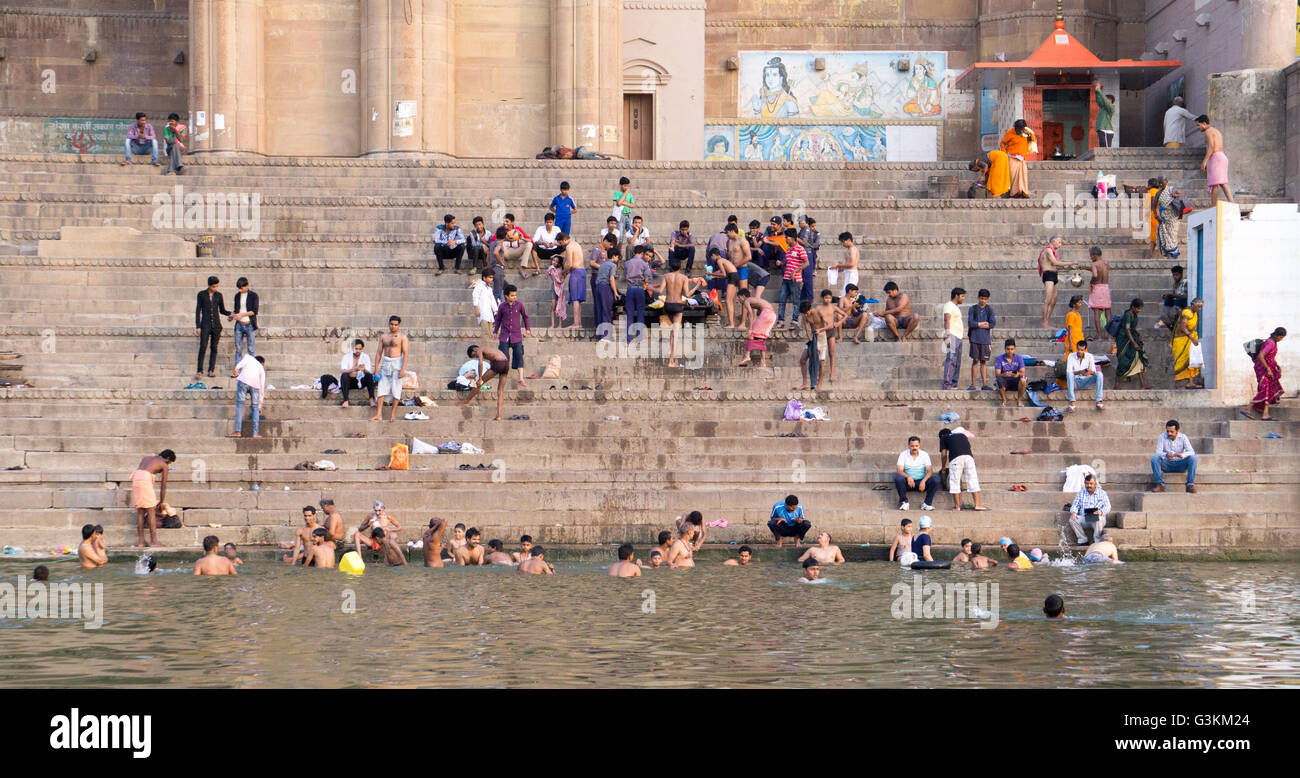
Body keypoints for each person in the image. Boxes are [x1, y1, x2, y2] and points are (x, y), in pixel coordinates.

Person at [658, 258, 706, 367]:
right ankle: (671, 361)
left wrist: (651, 287)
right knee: (675, 332)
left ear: (670, 267)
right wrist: (697, 285)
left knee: (673, 330)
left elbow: (660, 291)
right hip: (678, 306)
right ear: (680, 267)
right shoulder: (683, 277)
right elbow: (688, 295)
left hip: (668, 305)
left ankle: (671, 351)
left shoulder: (666, 276)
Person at [131, 449, 175, 547]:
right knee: (151, 511)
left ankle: (141, 542)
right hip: (145, 479)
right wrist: (162, 502)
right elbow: (163, 486)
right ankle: (154, 541)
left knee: (141, 511)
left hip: (135, 478)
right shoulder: (164, 465)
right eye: (169, 462)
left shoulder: (146, 458)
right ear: (167, 458)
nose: (168, 464)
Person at [457, 344, 512, 421]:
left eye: (475, 355)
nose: (476, 357)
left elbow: (480, 363)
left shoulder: (480, 349)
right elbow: (493, 360)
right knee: (500, 391)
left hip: (498, 363)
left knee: (478, 384)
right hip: (506, 363)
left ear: (474, 349)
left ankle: (466, 402)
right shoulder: (490, 349)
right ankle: (499, 416)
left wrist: (479, 378)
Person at [370, 315, 409, 421]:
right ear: (389, 324)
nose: (393, 326)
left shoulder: (402, 337)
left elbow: (405, 354)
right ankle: (379, 414)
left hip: (397, 364)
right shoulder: (384, 337)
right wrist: (376, 368)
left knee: (396, 389)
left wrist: (403, 369)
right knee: (381, 389)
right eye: (391, 324)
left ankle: (393, 415)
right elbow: (379, 353)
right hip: (385, 363)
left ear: (399, 325)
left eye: (396, 325)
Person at [493, 284, 532, 386]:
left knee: (519, 356)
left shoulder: (519, 305)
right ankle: (503, 378)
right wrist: (495, 331)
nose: (514, 297)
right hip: (504, 336)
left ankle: (521, 378)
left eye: (515, 295)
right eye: (512, 295)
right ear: (506, 296)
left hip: (516, 336)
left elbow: (525, 317)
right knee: (503, 358)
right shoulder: (501, 306)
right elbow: (498, 320)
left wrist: (527, 329)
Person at [1245, 327, 1287, 420]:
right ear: (1277, 336)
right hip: (1263, 369)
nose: (1281, 340)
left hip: (1268, 369)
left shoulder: (1273, 342)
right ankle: (1247, 409)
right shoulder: (1270, 343)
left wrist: (1276, 365)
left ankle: (1265, 414)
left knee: (1269, 389)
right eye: (1281, 338)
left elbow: (1270, 356)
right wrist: (1268, 369)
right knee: (1264, 390)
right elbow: (1261, 356)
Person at [940, 427, 985, 511]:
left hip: (955, 459)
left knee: (955, 482)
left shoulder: (943, 437)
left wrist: (943, 467)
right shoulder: (962, 435)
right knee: (972, 479)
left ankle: (957, 507)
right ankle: (977, 505)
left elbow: (943, 454)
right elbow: (971, 449)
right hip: (969, 457)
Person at [194, 275, 230, 379]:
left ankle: (211, 370)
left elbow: (222, 310)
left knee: (214, 348)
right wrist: (198, 326)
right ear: (209, 285)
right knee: (203, 346)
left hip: (216, 326)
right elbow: (198, 311)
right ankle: (199, 370)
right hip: (205, 325)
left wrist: (230, 314)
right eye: (214, 286)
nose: (215, 288)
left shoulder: (219, 295)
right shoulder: (201, 295)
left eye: (216, 286)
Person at [1151, 419, 1197, 493]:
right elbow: (1158, 452)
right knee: (1154, 459)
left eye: (1171, 431)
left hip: (1180, 464)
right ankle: (1159, 484)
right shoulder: (1162, 437)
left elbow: (1191, 452)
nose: (1169, 433)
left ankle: (1190, 485)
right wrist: (1166, 455)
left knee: (1193, 458)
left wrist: (1182, 455)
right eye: (1168, 431)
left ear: (1177, 431)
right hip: (1167, 464)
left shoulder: (1183, 437)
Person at [894, 435, 938, 511]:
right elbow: (899, 470)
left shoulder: (924, 454)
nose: (914, 448)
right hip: (908, 483)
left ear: (919, 445)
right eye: (912, 446)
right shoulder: (903, 454)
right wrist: (908, 477)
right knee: (898, 479)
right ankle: (904, 502)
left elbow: (930, 471)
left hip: (921, 483)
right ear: (908, 446)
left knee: (936, 480)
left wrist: (923, 481)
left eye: (916, 446)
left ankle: (926, 504)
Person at [1196, 115, 1233, 206]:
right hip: (1222, 156)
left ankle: (1213, 207)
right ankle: (1232, 203)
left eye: (1198, 125)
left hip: (1216, 157)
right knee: (1223, 183)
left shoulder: (1208, 131)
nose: (1198, 128)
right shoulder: (1216, 131)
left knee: (1215, 184)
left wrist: (1204, 161)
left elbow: (1211, 147)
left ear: (1204, 123)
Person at [1037, 236, 1073, 328]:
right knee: (1048, 300)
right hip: (1048, 274)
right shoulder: (1048, 250)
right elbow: (1055, 263)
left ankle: (1047, 322)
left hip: (1054, 275)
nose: (1060, 245)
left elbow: (1055, 265)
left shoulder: (1053, 251)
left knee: (1054, 301)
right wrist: (1071, 263)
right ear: (1053, 241)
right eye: (1059, 242)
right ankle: (1044, 323)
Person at [1114, 299, 1150, 390]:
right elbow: (1127, 330)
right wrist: (1134, 343)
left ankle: (1142, 385)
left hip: (1132, 338)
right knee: (1124, 362)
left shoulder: (1134, 314)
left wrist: (1137, 333)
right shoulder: (1128, 315)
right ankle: (1116, 385)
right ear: (1133, 307)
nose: (1139, 310)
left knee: (1138, 360)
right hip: (1124, 341)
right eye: (1138, 309)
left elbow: (1132, 328)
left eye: (1140, 309)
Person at [1068, 473, 1110, 545]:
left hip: (1097, 517)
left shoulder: (1102, 493)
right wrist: (1074, 512)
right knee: (1072, 519)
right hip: (1085, 517)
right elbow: (1075, 505)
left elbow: (1108, 506)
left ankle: (1097, 541)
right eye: (1087, 484)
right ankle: (1083, 540)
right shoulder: (1080, 493)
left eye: (1091, 483)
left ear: (1095, 484)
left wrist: (1101, 512)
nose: (1089, 486)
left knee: (1099, 519)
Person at [229, 354, 266, 437]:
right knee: (255, 407)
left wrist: (236, 369)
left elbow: (241, 363)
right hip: (255, 385)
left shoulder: (248, 357)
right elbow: (262, 388)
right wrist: (260, 405)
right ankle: (255, 433)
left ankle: (238, 432)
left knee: (239, 406)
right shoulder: (261, 369)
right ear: (262, 363)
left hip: (244, 381)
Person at [777, 229, 807, 328]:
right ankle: (780, 321)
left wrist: (796, 271)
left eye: (787, 238)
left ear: (793, 238)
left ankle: (794, 322)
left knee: (795, 301)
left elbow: (807, 263)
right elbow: (789, 261)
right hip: (786, 278)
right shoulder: (788, 249)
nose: (785, 239)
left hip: (796, 280)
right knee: (782, 300)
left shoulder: (800, 249)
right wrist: (782, 263)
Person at [1172, 297, 1203, 390]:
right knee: (1181, 361)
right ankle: (1177, 382)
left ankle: (1190, 382)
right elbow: (1183, 327)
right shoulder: (1187, 313)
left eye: (1201, 307)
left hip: (1189, 339)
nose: (1199, 309)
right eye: (1198, 307)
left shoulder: (1195, 313)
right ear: (1193, 305)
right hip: (1180, 339)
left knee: (1191, 359)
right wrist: (1192, 337)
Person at [967, 289, 995, 390]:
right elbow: (971, 323)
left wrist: (978, 324)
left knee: (983, 362)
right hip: (974, 339)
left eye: (985, 299)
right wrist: (982, 324)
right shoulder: (973, 309)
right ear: (978, 297)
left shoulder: (989, 310)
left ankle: (984, 384)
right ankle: (973, 385)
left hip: (985, 340)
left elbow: (992, 323)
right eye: (982, 298)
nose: (983, 301)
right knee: (975, 360)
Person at [1065, 339, 1104, 412]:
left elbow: (1093, 371)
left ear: (1085, 350)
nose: (1079, 351)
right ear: (1076, 348)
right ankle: (1072, 403)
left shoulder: (1090, 356)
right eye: (1078, 349)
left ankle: (1099, 401)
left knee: (1099, 374)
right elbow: (1069, 371)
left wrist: (1088, 372)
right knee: (1069, 374)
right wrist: (1080, 372)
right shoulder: (1071, 356)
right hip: (1074, 382)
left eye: (1082, 350)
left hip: (1086, 381)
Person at [623, 244, 652, 342]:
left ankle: (629, 337)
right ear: (642, 253)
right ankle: (639, 336)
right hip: (640, 289)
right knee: (640, 313)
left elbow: (625, 275)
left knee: (629, 314)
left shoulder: (627, 263)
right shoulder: (644, 264)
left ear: (634, 252)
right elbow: (647, 278)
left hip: (630, 289)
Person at [999, 119, 1035, 197]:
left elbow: (1033, 141)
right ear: (1015, 128)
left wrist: (1030, 135)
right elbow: (1002, 143)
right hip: (1012, 157)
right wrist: (1004, 154)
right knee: (1013, 176)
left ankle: (1023, 192)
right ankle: (1014, 193)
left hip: (1022, 158)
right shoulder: (1009, 132)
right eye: (1018, 129)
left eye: (1021, 129)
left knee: (1023, 176)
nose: (1019, 131)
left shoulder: (1027, 132)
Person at [337, 338, 376, 407]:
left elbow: (368, 371)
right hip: (349, 382)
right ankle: (346, 400)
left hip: (360, 381)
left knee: (369, 376)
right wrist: (353, 369)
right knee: (344, 375)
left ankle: (371, 400)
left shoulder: (365, 357)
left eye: (360, 349)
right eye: (356, 349)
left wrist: (364, 369)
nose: (358, 351)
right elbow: (342, 370)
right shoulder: (346, 357)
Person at [593, 237, 619, 338]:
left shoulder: (603, 264)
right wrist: (615, 292)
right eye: (617, 257)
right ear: (614, 256)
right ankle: (605, 336)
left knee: (600, 310)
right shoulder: (613, 265)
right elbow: (612, 279)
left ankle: (600, 336)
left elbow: (597, 278)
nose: (617, 260)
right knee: (606, 310)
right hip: (606, 288)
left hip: (599, 287)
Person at [942, 287, 966, 389]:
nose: (963, 298)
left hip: (958, 337)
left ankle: (954, 383)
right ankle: (947, 384)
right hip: (951, 335)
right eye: (962, 296)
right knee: (951, 360)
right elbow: (947, 320)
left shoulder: (956, 307)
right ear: (956, 296)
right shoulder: (949, 305)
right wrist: (948, 336)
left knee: (957, 361)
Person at [994, 338, 1027, 406]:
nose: (1010, 351)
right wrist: (1004, 374)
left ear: (1014, 349)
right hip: (1005, 381)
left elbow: (1023, 373)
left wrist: (1018, 374)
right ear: (1005, 349)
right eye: (1008, 349)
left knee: (1023, 380)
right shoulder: (999, 358)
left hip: (1016, 382)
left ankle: (1019, 401)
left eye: (1012, 349)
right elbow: (997, 374)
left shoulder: (1019, 357)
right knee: (998, 380)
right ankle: (1004, 400)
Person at [1086, 247, 1111, 338]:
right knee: (1108, 312)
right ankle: (1109, 336)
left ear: (1094, 255)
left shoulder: (1094, 264)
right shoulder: (1106, 263)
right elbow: (1100, 270)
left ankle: (1099, 336)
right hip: (1105, 288)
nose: (1090, 258)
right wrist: (1085, 268)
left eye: (1091, 256)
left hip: (1097, 288)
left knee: (1097, 312)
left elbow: (1095, 274)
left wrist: (1091, 283)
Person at [1154, 178, 1181, 259]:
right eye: (1159, 183)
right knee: (1165, 236)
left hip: (1173, 217)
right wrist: (1156, 216)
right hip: (1163, 218)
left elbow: (1182, 195)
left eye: (1162, 183)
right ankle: (1168, 255)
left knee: (1173, 235)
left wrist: (1176, 195)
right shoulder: (1158, 193)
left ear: (1166, 182)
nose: (1160, 185)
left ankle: (1173, 254)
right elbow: (1153, 206)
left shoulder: (1171, 189)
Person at [531, 213, 562, 278]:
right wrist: (543, 243)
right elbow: (534, 240)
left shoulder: (557, 229)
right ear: (545, 222)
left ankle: (561, 268)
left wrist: (554, 244)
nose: (548, 224)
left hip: (554, 253)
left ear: (553, 222)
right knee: (533, 246)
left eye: (550, 222)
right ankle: (537, 268)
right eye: (547, 222)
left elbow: (561, 241)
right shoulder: (540, 229)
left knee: (564, 248)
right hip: (543, 251)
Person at [797, 217, 820, 303]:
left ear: (804, 222)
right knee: (805, 277)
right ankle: (803, 297)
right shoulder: (803, 230)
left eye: (800, 222)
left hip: (807, 253)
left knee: (807, 277)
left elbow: (804, 242)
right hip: (804, 253)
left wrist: (795, 237)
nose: (799, 224)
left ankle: (810, 298)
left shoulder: (807, 230)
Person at [831, 232, 860, 298]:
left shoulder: (853, 250)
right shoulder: (849, 250)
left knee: (849, 294)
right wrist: (839, 269)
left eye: (843, 241)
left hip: (852, 274)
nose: (842, 244)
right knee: (845, 293)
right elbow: (848, 264)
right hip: (848, 273)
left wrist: (838, 266)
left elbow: (852, 264)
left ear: (849, 240)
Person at [545, 254, 568, 328]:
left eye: (556, 261)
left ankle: (560, 324)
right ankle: (552, 324)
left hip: (560, 288)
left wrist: (556, 255)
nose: (554, 262)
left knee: (560, 305)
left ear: (559, 263)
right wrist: (548, 272)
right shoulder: (551, 269)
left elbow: (565, 258)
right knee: (553, 307)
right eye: (553, 260)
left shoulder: (561, 269)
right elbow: (545, 277)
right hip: (554, 288)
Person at [1093, 82, 1115, 147]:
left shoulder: (1111, 107)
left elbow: (1105, 101)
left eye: (1107, 99)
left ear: (1110, 100)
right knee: (1102, 146)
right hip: (1101, 129)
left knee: (1106, 149)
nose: (1105, 100)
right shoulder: (1103, 107)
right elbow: (1099, 100)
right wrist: (1097, 91)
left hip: (1107, 130)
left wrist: (1099, 90)